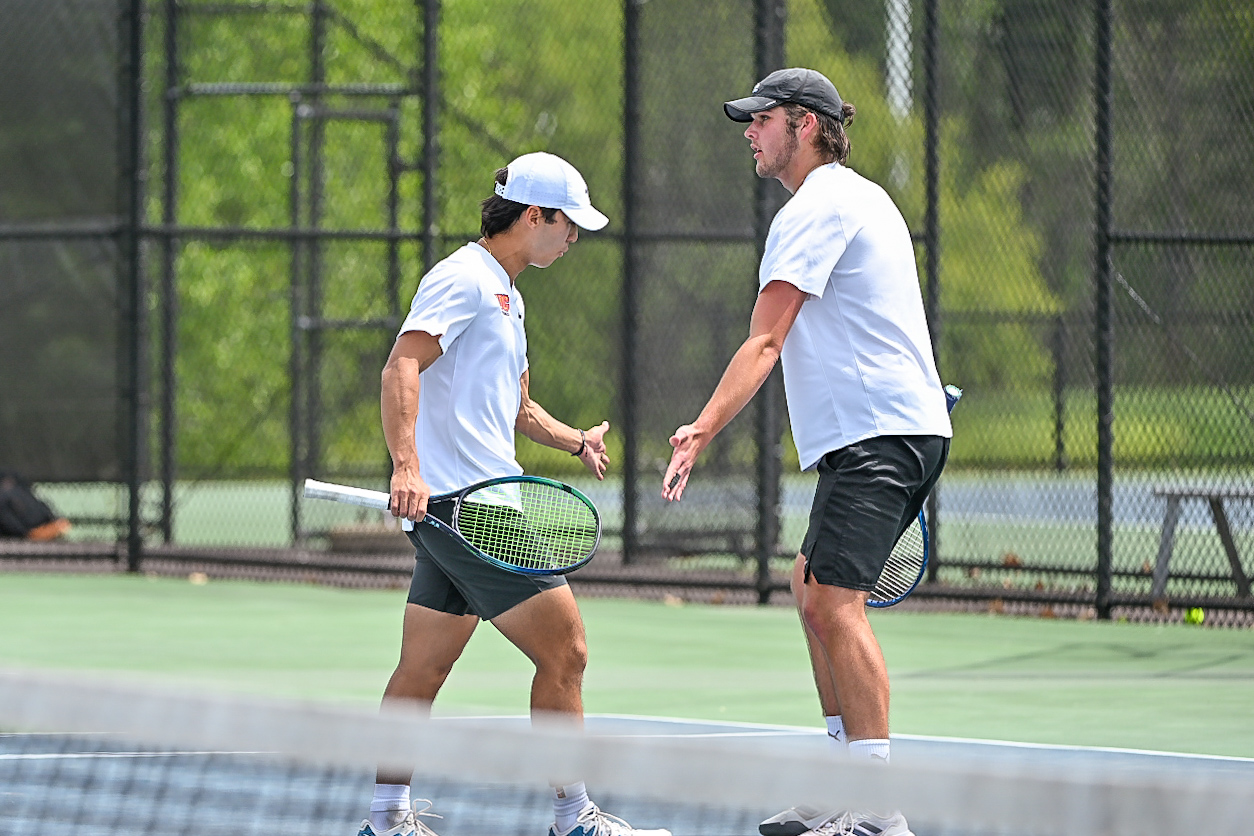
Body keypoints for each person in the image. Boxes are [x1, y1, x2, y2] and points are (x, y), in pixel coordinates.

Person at [661, 68, 952, 836]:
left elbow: (766, 338)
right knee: (809, 586)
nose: (749, 134)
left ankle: (879, 811)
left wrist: (701, 428)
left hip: (878, 435)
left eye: (761, 120)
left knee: (833, 603)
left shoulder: (818, 206)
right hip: (890, 428)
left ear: (805, 124)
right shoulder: (860, 197)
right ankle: (840, 780)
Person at [368, 152, 670, 836]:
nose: (573, 239)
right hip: (471, 511)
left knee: (424, 664)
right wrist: (406, 466)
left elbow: (517, 407)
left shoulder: (509, 292)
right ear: (534, 217)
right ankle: (575, 818)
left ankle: (385, 822)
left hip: (462, 508)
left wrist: (574, 441)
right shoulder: (463, 280)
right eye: (569, 226)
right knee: (567, 650)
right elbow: (402, 364)